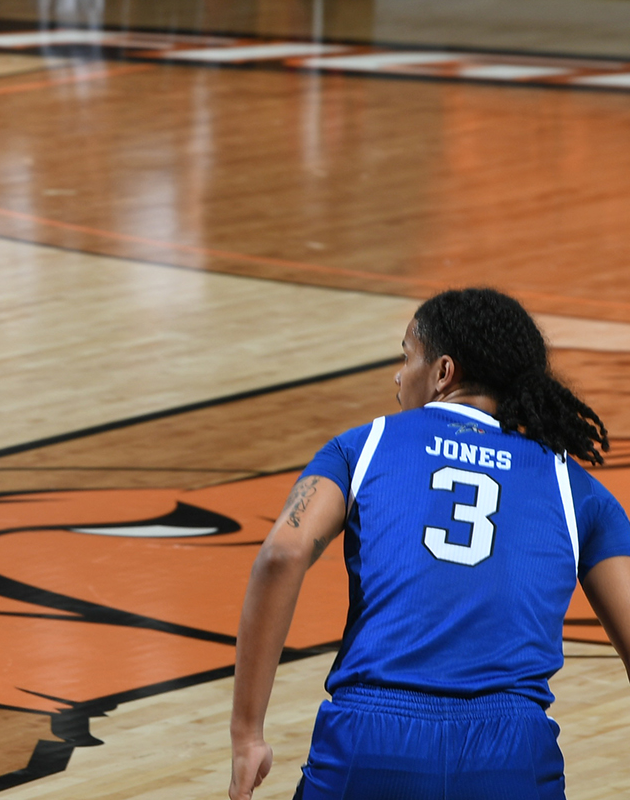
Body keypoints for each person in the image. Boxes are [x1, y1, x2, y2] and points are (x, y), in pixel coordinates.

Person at [229, 288, 630, 800]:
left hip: (372, 737)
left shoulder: (364, 444)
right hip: (510, 751)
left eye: (406, 356)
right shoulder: (577, 488)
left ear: (443, 373)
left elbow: (282, 553)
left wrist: (247, 735)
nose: (399, 376)